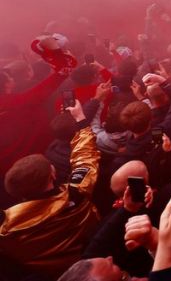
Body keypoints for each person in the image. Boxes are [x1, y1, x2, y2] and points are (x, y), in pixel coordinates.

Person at [0, 100, 100, 279]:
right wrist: (81, 120)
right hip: (89, 259)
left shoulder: (6, 227)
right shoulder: (76, 193)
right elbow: (86, 160)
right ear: (52, 176)